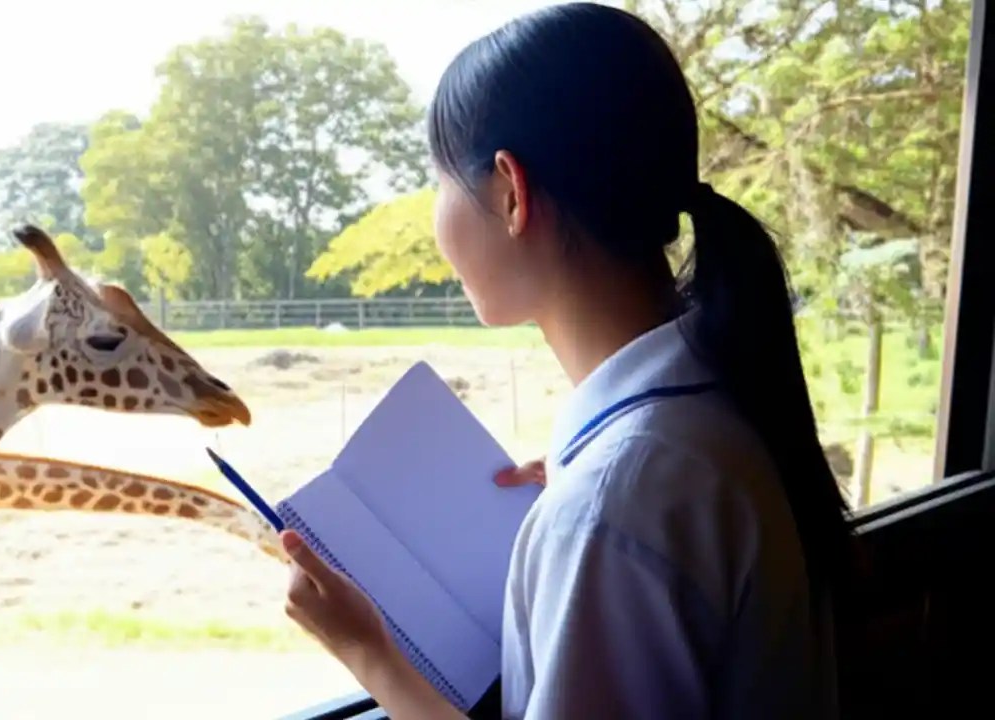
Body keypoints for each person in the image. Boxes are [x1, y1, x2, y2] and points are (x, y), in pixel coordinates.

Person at [277, 3, 854, 718]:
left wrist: (369, 652)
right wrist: (588, 495)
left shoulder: (622, 500)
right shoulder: (714, 411)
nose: (436, 217)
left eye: (439, 182)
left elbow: (636, 516)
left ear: (510, 191)